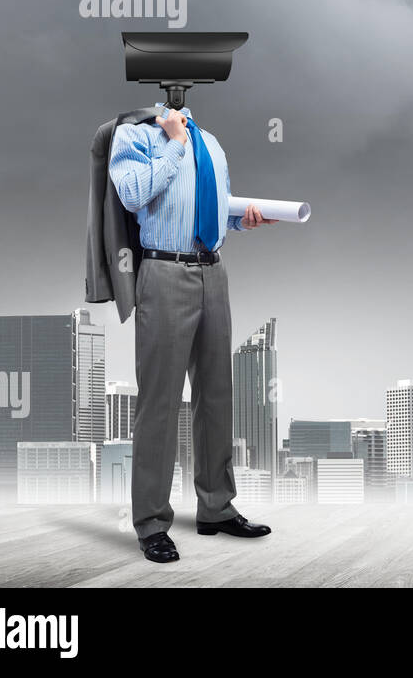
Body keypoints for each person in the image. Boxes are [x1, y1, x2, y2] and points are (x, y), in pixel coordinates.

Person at [108, 103, 276, 563]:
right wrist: (175, 141)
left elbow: (211, 210)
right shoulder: (135, 137)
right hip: (164, 271)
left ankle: (216, 507)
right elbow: (132, 194)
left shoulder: (214, 144)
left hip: (213, 274)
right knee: (160, 401)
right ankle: (151, 523)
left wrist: (243, 218)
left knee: (217, 396)